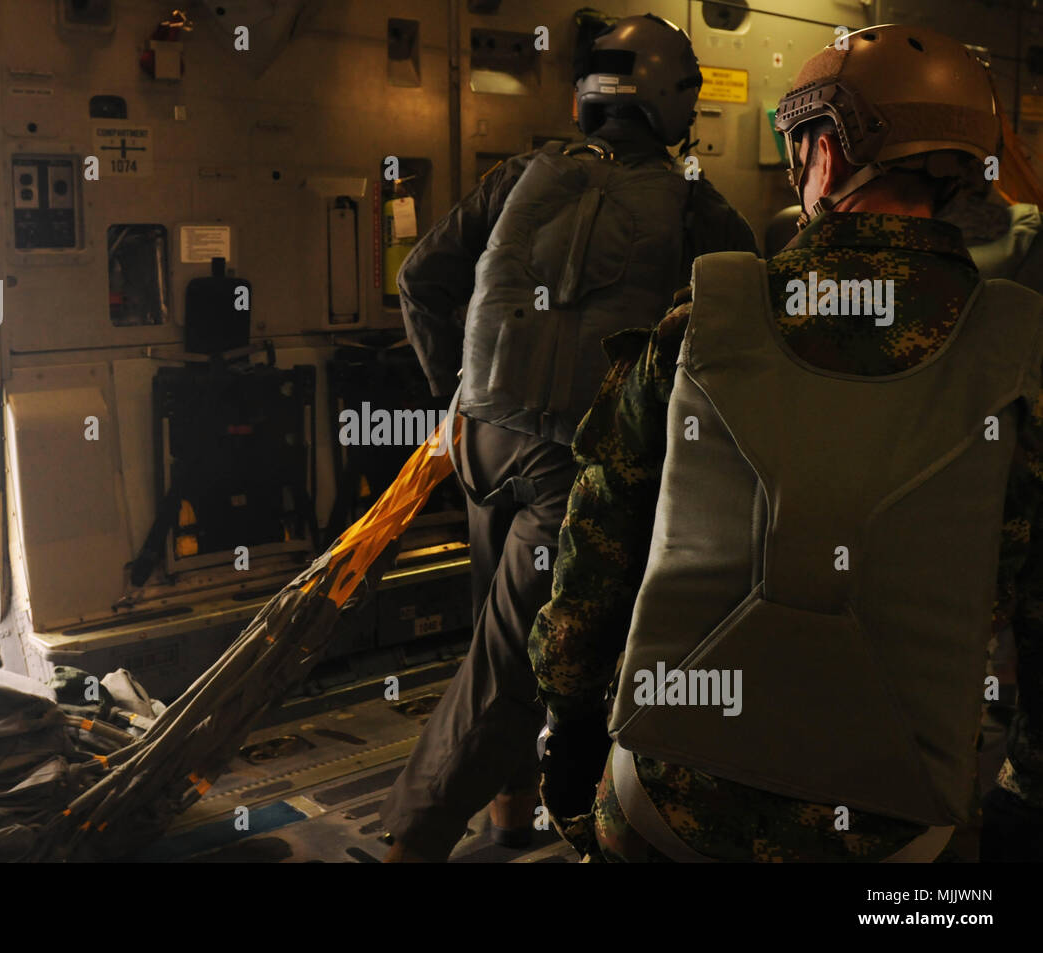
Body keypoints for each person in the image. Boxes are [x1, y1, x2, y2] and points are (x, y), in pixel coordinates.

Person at [530, 22, 1043, 862]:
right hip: (898, 847)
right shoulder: (1021, 361)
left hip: (662, 819)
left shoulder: (701, 323)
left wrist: (569, 725)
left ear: (830, 156)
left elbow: (592, 559)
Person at [380, 13, 756, 862]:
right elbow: (745, 334)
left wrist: (456, 393)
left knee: (496, 635)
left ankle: (512, 817)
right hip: (572, 465)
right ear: (673, 100)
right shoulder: (695, 206)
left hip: (482, 447)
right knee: (516, 664)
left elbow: (419, 277)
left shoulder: (519, 174)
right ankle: (414, 838)